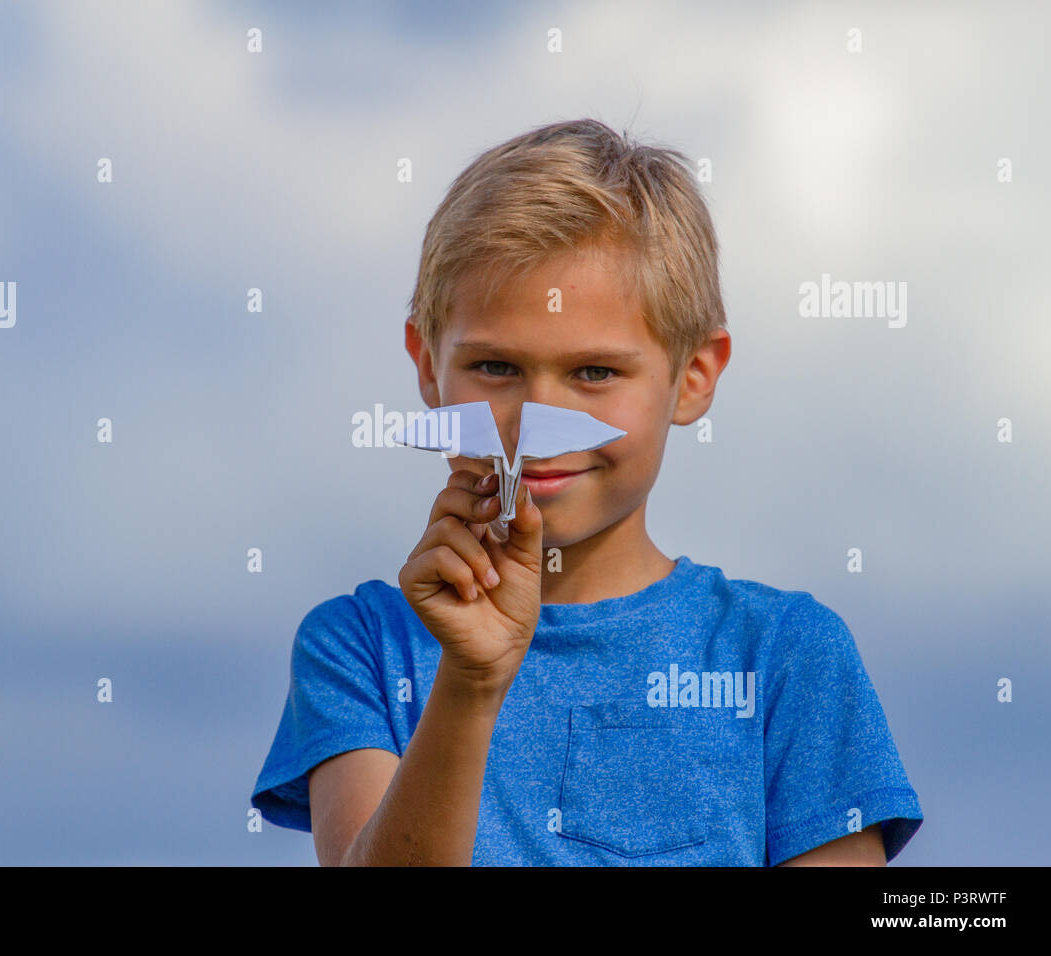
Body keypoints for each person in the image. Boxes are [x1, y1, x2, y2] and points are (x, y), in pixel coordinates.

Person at [250, 118, 923, 866]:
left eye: (595, 373)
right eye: (497, 368)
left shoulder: (786, 656)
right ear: (426, 367)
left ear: (694, 376)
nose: (538, 421)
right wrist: (471, 682)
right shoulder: (361, 646)